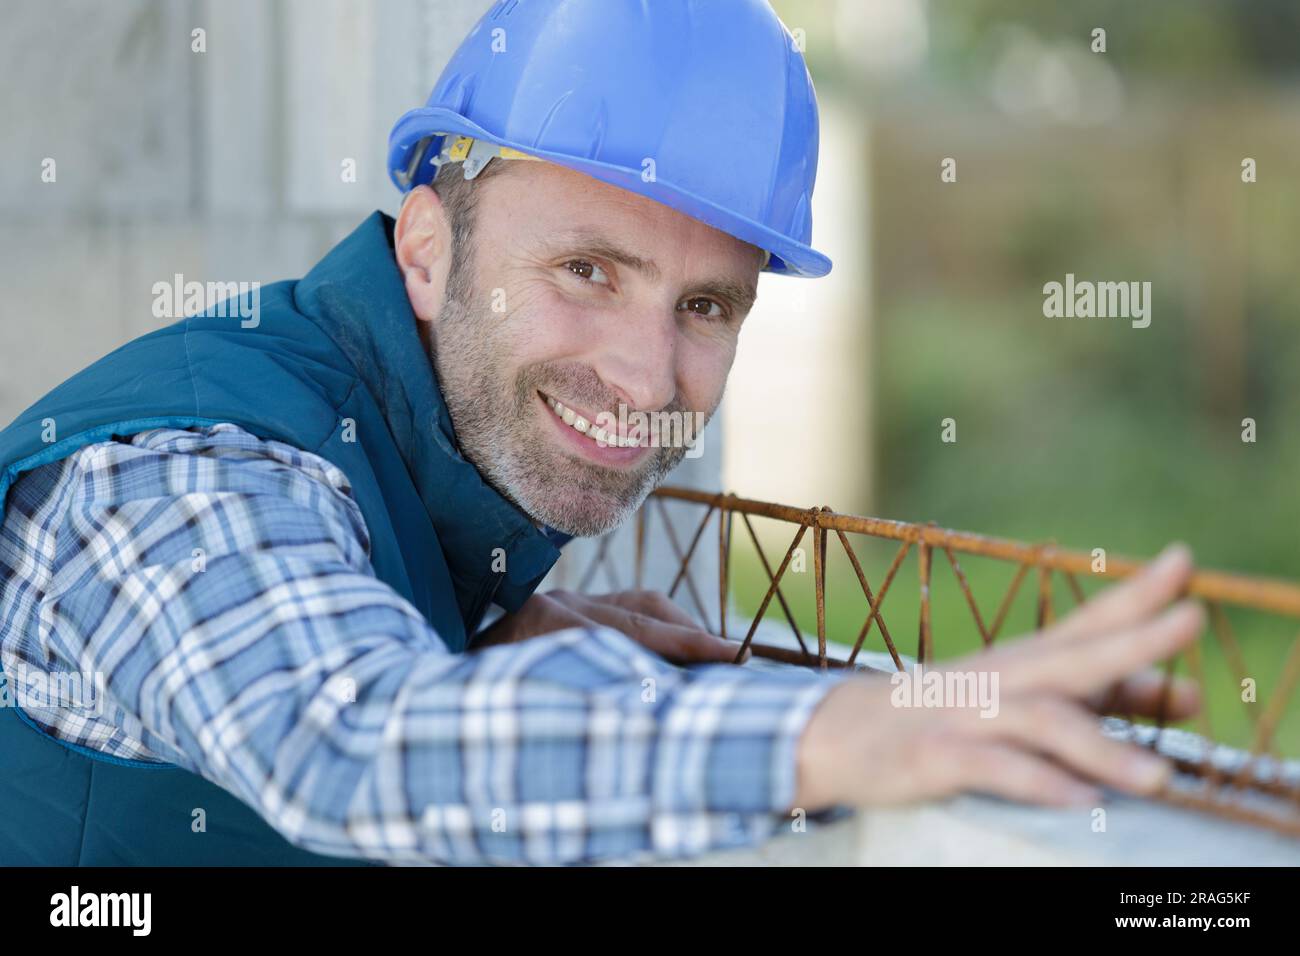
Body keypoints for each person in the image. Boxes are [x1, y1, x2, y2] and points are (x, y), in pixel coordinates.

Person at [0, 0, 1200, 865]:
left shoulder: (407, 475)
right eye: (585, 269)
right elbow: (347, 739)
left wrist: (464, 642)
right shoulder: (178, 478)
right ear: (426, 250)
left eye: (706, 306)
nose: (645, 374)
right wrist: (840, 732)